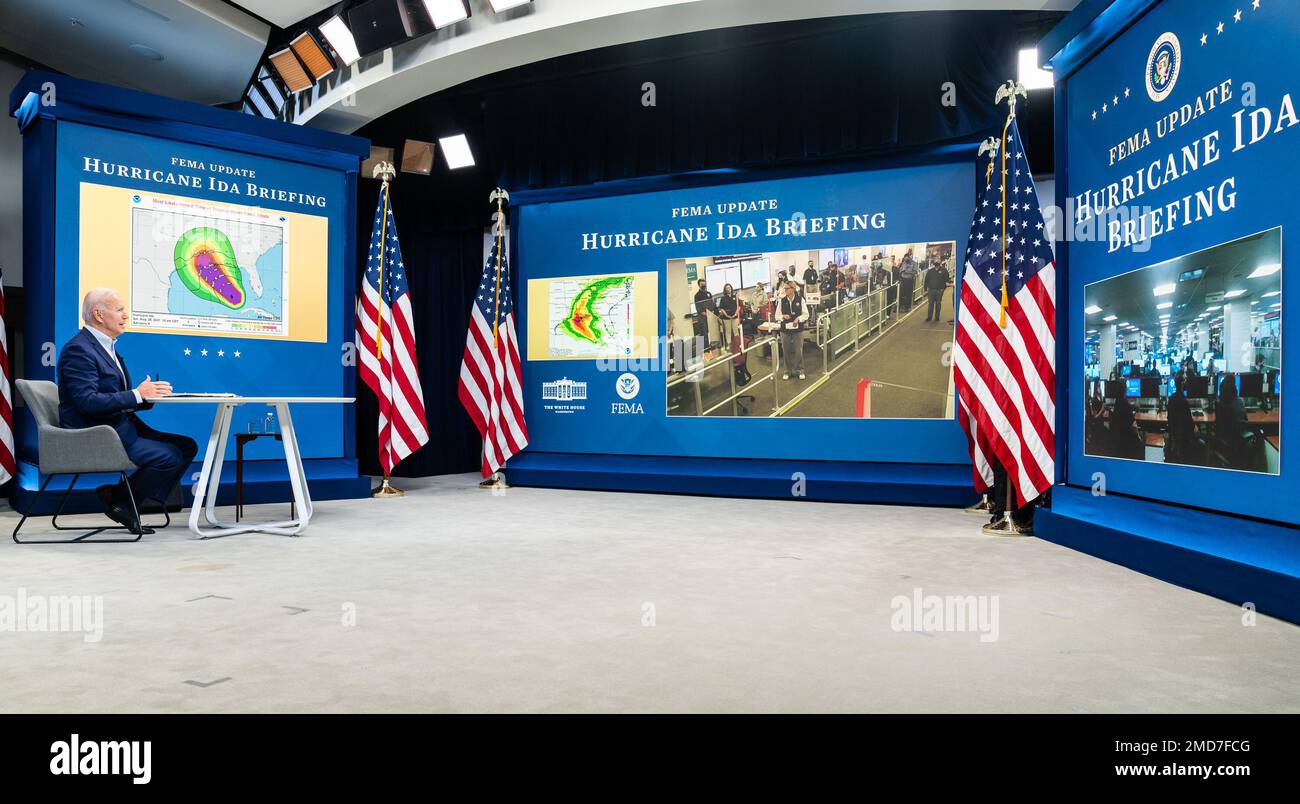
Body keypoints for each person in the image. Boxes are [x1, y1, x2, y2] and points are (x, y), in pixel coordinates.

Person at [58, 288, 197, 534]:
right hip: (96, 433)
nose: (126, 315)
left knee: (186, 447)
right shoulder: (79, 350)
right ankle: (124, 501)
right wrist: (136, 394)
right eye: (120, 310)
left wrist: (147, 396)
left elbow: (112, 396)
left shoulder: (107, 347)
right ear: (99, 315)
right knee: (168, 457)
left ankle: (122, 498)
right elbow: (86, 401)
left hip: (119, 425)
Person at [776, 281, 809, 381]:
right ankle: (787, 371)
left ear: (793, 289)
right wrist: (783, 316)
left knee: (798, 350)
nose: (785, 290)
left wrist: (798, 319)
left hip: (798, 329)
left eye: (787, 288)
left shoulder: (800, 299)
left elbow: (806, 314)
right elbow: (777, 315)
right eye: (784, 288)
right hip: (785, 329)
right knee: (786, 350)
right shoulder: (782, 301)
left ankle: (800, 370)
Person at [716, 283, 742, 348]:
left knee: (736, 331)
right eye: (727, 288)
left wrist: (735, 314)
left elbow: (739, 306)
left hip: (735, 317)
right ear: (725, 289)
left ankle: (738, 344)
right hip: (726, 318)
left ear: (731, 288)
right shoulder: (723, 298)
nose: (728, 289)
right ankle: (729, 345)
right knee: (728, 332)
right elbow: (721, 308)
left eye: (729, 287)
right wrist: (727, 315)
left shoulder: (735, 296)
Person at [692, 278, 714, 345]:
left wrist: (712, 312)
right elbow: (698, 308)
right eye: (702, 284)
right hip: (703, 318)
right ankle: (707, 348)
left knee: (712, 332)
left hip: (710, 316)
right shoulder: (697, 296)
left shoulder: (709, 293)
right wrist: (706, 314)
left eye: (704, 284)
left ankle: (713, 346)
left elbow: (712, 304)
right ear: (699, 285)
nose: (704, 285)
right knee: (705, 334)